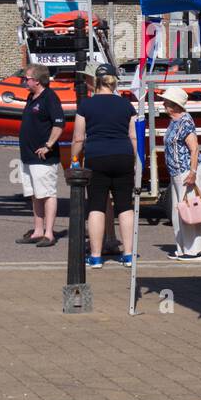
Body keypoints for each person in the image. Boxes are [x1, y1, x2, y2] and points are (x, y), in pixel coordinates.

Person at [72, 64, 137, 269]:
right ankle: (128, 255)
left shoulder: (86, 105)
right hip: (123, 155)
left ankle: (96, 256)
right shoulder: (126, 105)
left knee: (97, 206)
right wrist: (135, 161)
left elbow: (78, 137)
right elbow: (133, 136)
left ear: (95, 81)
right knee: (125, 206)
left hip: (97, 156)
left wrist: (75, 158)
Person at [16, 63, 64, 248]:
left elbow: (58, 124)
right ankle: (37, 230)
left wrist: (48, 145)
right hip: (28, 155)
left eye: (26, 78)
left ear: (36, 80)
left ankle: (49, 233)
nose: (24, 81)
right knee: (35, 194)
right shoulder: (31, 97)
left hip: (43, 157)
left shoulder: (49, 98)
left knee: (48, 193)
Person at [161, 86, 201, 261]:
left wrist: (193, 172)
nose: (163, 104)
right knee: (178, 210)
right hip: (177, 171)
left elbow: (194, 149)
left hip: (187, 170)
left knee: (188, 209)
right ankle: (182, 248)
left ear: (175, 105)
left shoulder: (186, 122)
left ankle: (195, 250)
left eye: (167, 101)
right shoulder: (174, 121)